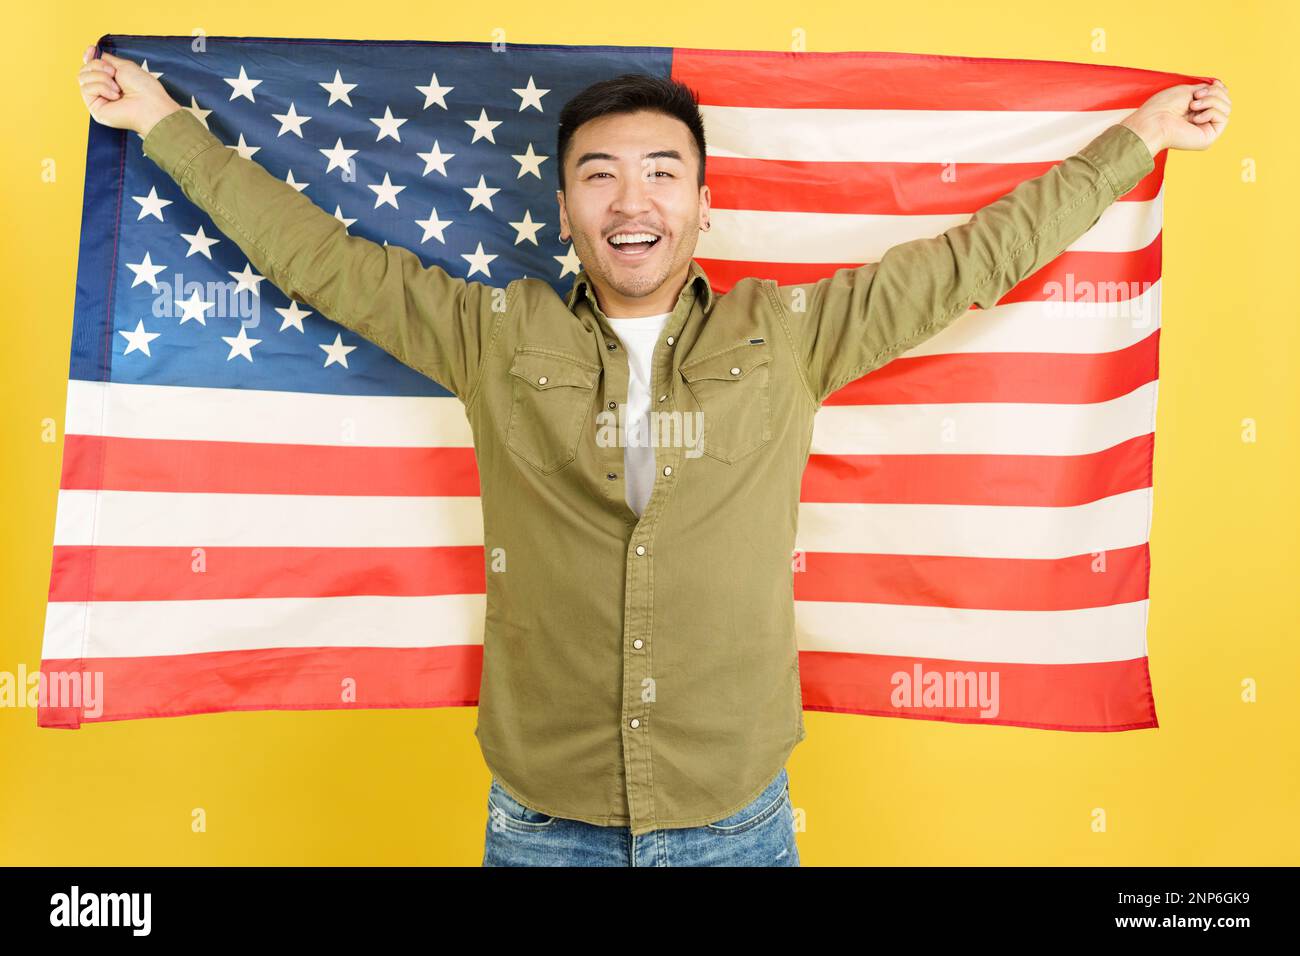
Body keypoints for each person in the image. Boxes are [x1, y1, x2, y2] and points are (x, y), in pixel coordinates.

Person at [76, 45, 1230, 867]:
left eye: (662, 173)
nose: (634, 198)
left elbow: (979, 255)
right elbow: (315, 257)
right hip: (541, 819)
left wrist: (1137, 138)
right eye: (600, 175)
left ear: (703, 207)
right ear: (567, 210)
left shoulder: (788, 336)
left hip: (737, 817)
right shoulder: (489, 334)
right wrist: (160, 122)